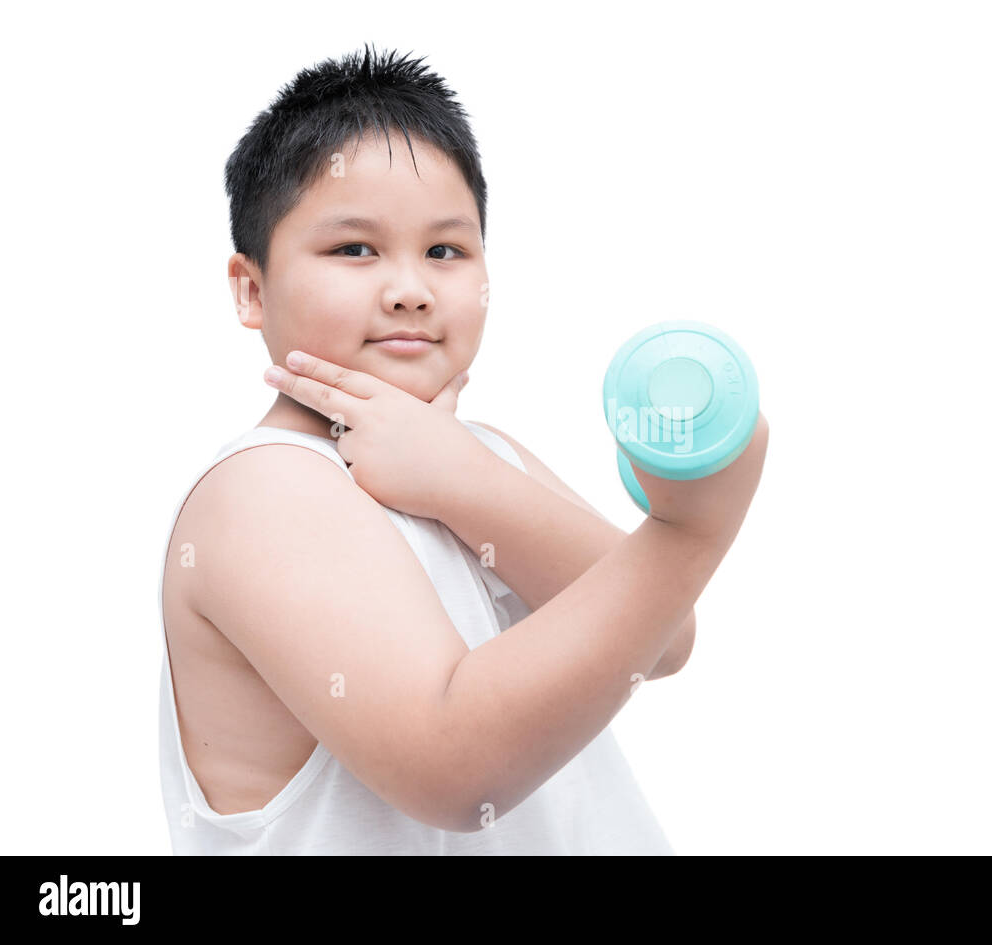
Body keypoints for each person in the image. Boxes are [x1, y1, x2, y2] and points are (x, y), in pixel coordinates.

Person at [157, 43, 768, 854]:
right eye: (354, 249)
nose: (410, 286)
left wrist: (460, 479)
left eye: (445, 251)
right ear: (251, 287)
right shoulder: (264, 491)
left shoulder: (484, 456)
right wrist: (690, 532)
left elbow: (662, 636)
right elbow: (456, 766)